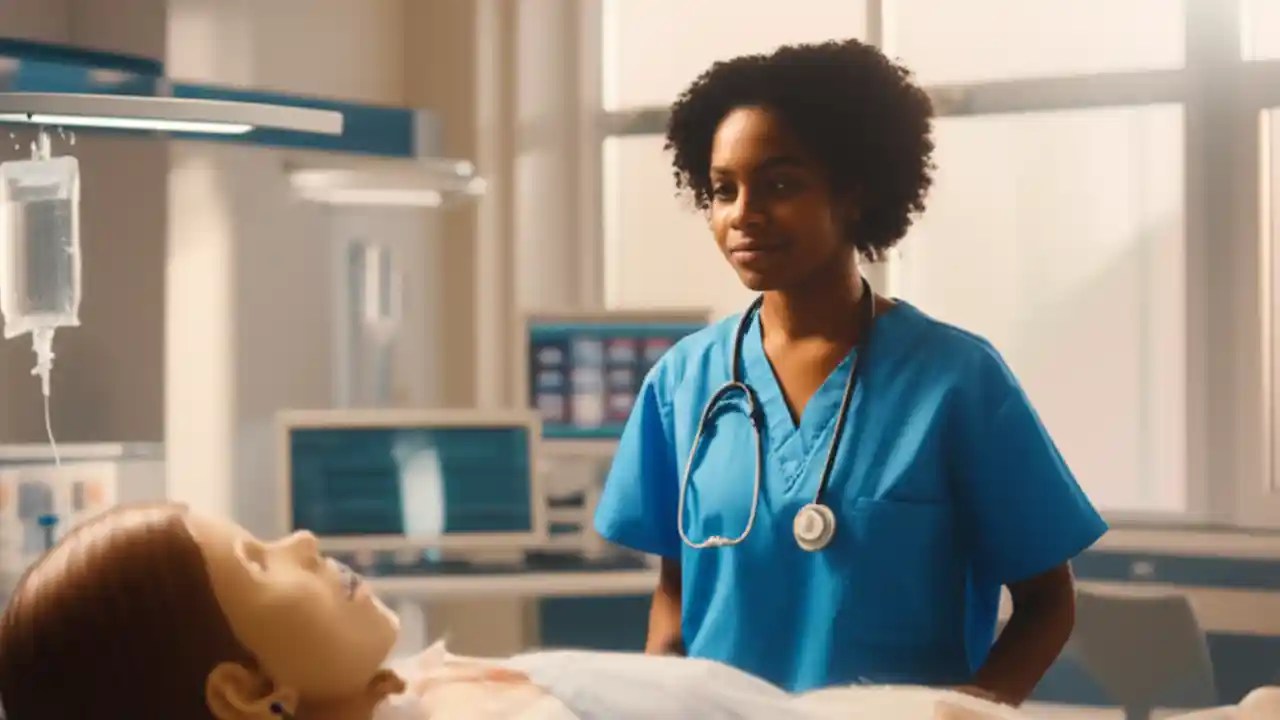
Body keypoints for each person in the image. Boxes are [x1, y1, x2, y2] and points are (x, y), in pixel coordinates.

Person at [592, 38, 1110, 706]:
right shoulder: (682, 384)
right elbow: (677, 592)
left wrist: (970, 710)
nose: (743, 214)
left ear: (853, 192)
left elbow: (1047, 603)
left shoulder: (956, 380)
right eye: (723, 190)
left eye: (779, 185)